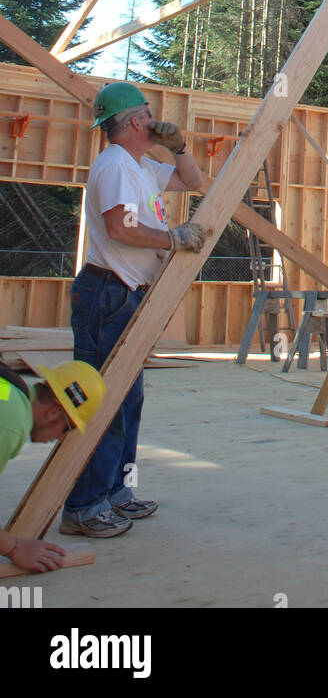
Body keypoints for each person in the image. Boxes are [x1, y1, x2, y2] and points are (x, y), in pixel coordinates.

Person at [60, 82, 206, 539]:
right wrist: (172, 239)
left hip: (126, 294)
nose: (154, 117)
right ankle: (83, 506)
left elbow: (193, 182)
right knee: (103, 402)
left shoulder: (141, 165)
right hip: (107, 294)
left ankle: (114, 491)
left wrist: (179, 146)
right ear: (135, 122)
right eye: (148, 112)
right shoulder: (117, 165)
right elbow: (120, 228)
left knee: (128, 399)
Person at [0, 358, 105, 571]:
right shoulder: (11, 422)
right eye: (67, 429)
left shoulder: (8, 389)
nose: (60, 438)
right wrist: (15, 548)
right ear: (53, 413)